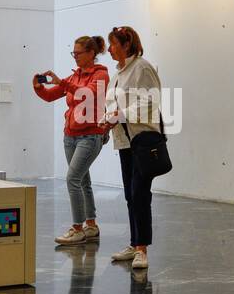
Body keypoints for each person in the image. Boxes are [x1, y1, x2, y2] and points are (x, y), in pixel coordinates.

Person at [33, 35, 111, 245]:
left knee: (72, 179)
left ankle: (77, 228)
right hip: (71, 135)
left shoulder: (101, 74)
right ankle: (91, 225)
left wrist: (63, 83)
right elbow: (50, 96)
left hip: (91, 134)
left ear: (91, 54)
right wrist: (39, 87)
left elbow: (90, 94)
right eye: (73, 53)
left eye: (78, 53)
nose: (75, 57)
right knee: (83, 181)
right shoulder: (74, 76)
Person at [101, 25, 162, 270]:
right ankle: (135, 242)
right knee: (130, 195)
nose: (109, 49)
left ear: (126, 45)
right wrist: (108, 118)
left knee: (139, 194)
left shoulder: (142, 68)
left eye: (113, 44)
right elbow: (112, 104)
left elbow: (151, 101)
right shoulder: (118, 74)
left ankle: (142, 249)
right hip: (125, 141)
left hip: (142, 140)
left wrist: (120, 115)